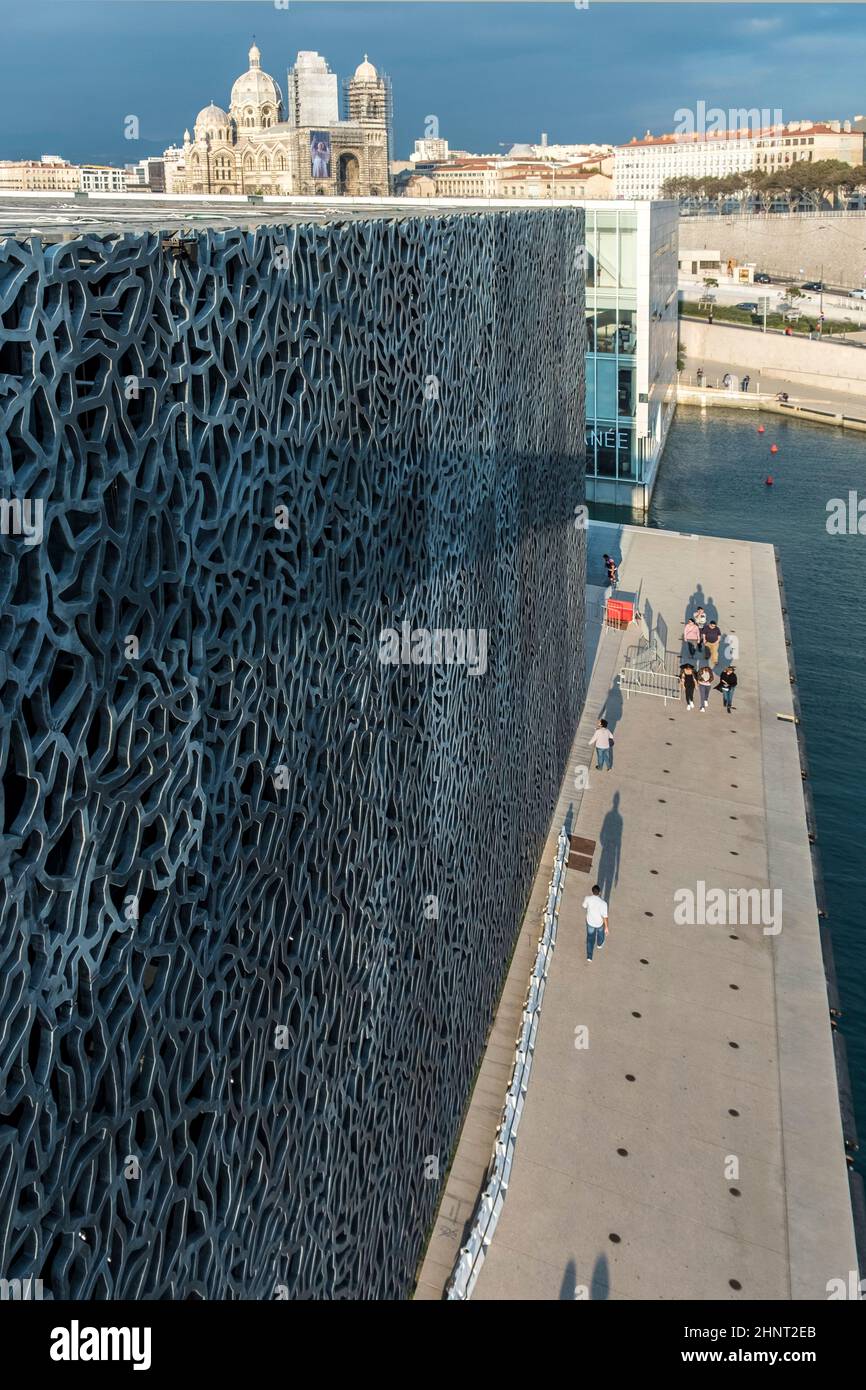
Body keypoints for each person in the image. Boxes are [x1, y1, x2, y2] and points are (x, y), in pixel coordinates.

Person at [582, 883, 609, 964]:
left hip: (590, 922)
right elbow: (605, 917)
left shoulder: (587, 898)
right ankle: (599, 944)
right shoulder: (604, 903)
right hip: (599, 923)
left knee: (590, 938)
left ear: (592, 892)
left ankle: (589, 956)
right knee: (600, 933)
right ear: (599, 892)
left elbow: (584, 906)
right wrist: (606, 927)